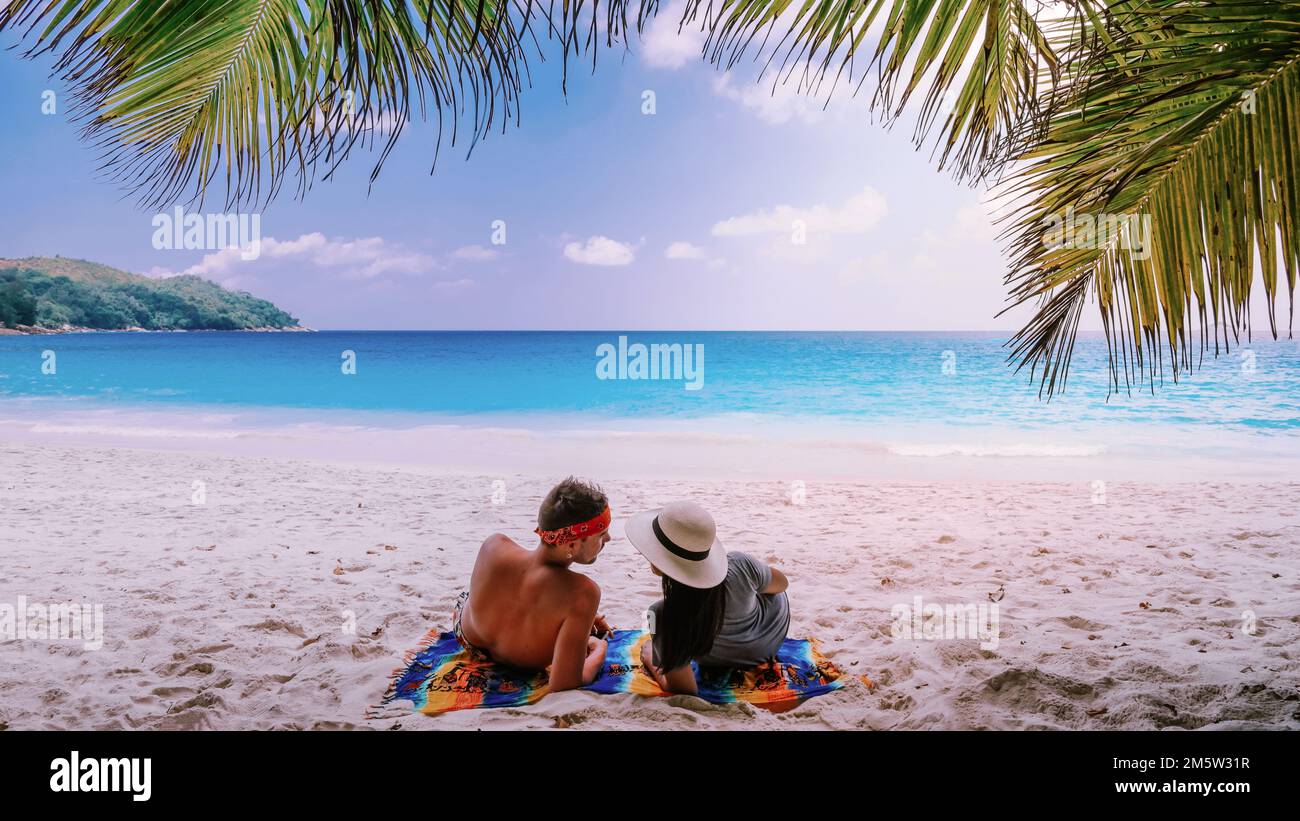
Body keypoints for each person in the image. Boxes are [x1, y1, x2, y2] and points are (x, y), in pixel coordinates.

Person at [456, 477, 613, 691]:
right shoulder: (583, 593)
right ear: (573, 543)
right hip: (520, 664)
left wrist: (585, 618)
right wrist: (598, 648)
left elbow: (519, 595)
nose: (609, 539)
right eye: (602, 534)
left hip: (468, 638)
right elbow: (565, 684)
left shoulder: (494, 544)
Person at [624, 500, 790, 695]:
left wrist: (650, 657)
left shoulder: (659, 616)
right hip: (769, 645)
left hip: (714, 659)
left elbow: (683, 691)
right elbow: (782, 584)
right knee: (763, 588)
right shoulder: (740, 565)